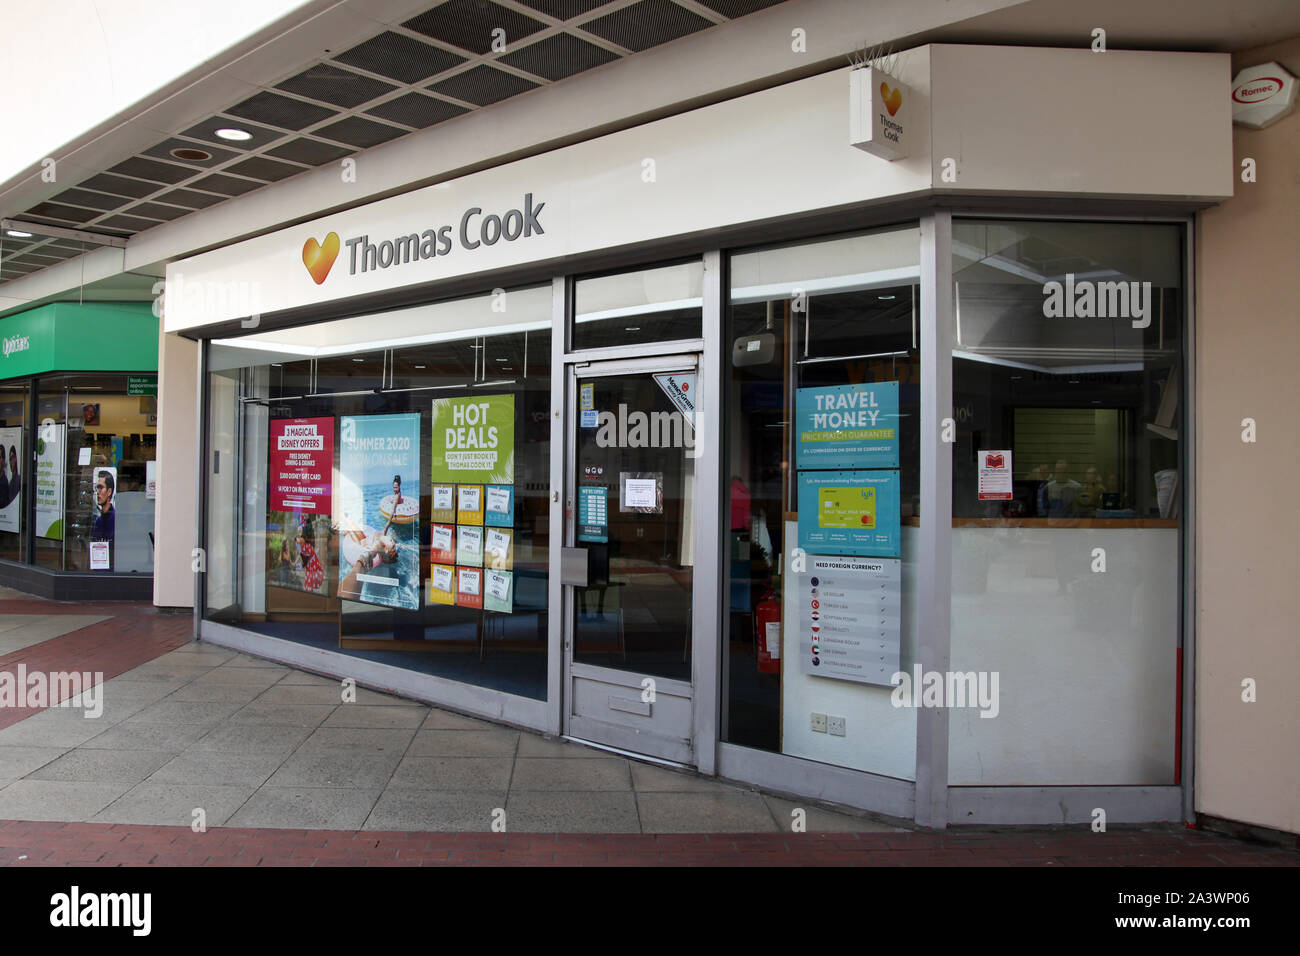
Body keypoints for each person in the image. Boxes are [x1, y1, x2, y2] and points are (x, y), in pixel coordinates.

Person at [296, 526, 325, 592]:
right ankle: (309, 590)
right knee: (309, 578)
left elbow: (305, 559)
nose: (298, 539)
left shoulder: (307, 546)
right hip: (309, 567)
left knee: (311, 578)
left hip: (313, 566)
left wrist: (300, 565)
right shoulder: (302, 546)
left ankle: (310, 590)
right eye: (298, 537)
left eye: (300, 537)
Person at [91, 470, 115, 542]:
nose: (98, 492)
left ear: (109, 492)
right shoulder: (99, 521)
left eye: (101, 487)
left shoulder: (115, 519)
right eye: (97, 488)